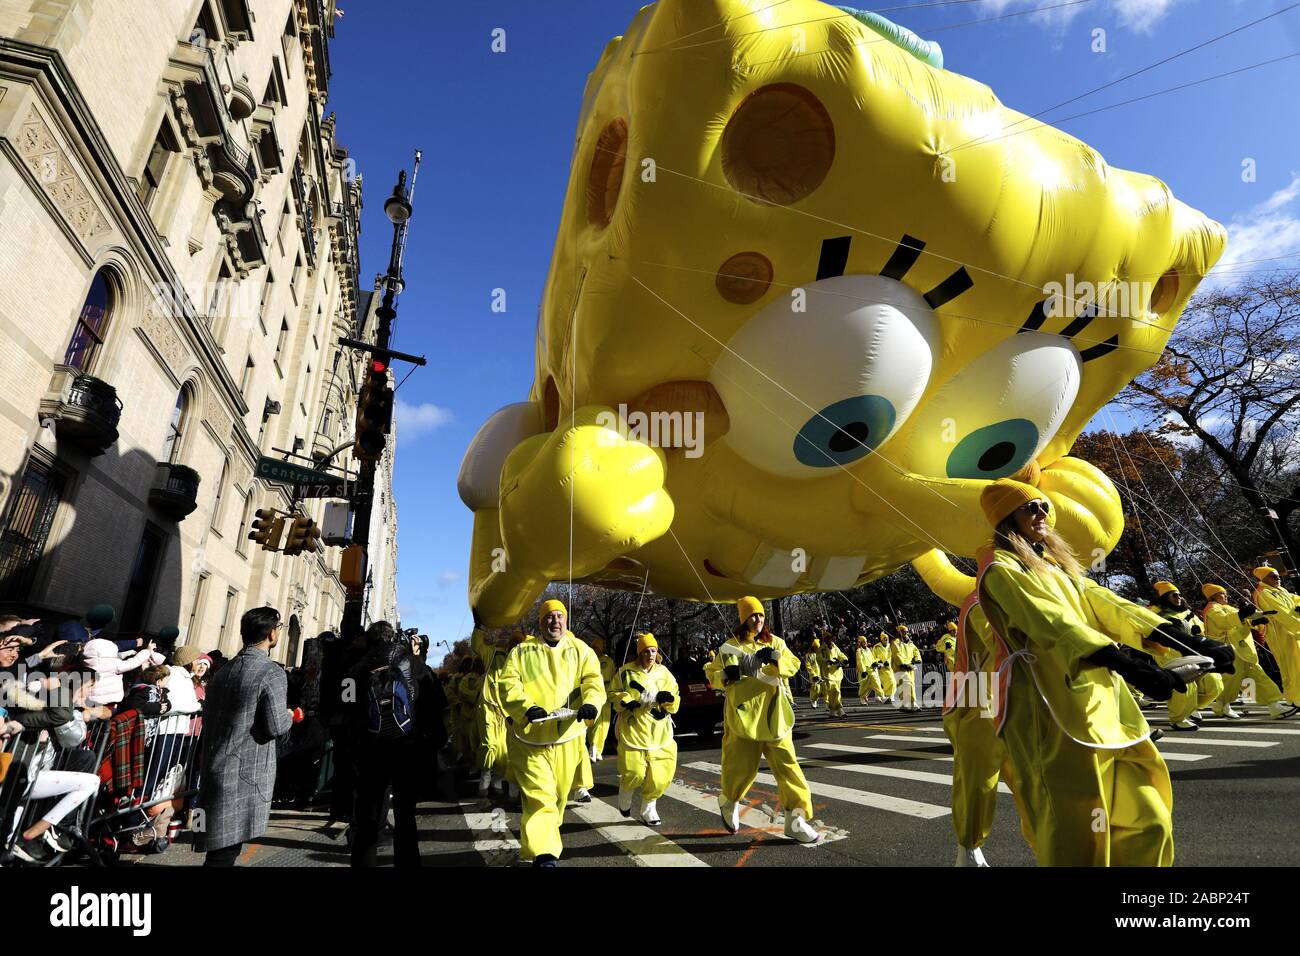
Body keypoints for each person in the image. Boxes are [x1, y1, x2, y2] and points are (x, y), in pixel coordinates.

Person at [974, 478, 1226, 866]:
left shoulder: (1059, 567)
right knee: (1079, 836)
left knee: (1150, 820)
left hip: (1105, 703)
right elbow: (1053, 624)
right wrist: (1125, 663)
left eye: (1043, 505)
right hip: (1049, 711)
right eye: (1029, 507)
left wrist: (1182, 639)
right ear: (1007, 518)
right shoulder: (1000, 569)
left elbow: (1109, 604)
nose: (1041, 512)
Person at [705, 596, 822, 844]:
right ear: (743, 619)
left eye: (760, 615)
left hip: (775, 717)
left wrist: (775, 660)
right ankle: (729, 801)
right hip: (743, 718)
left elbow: (792, 664)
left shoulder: (775, 641)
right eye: (752, 615)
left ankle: (796, 820)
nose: (757, 620)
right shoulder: (729, 647)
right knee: (740, 770)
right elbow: (713, 674)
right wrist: (726, 674)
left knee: (789, 769)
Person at [498, 598, 605, 867]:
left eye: (559, 616)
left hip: (567, 739)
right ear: (540, 622)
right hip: (530, 741)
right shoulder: (522, 652)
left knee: (557, 799)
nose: (554, 621)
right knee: (540, 798)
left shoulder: (581, 650)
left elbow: (593, 680)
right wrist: (527, 708)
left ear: (566, 620)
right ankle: (545, 857)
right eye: (548, 617)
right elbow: (508, 684)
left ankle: (537, 844)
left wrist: (591, 703)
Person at [198, 607, 295, 867]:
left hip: (214, 766)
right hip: (246, 771)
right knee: (224, 853)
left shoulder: (224, 670)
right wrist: (288, 714)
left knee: (219, 850)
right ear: (272, 633)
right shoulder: (271, 672)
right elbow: (276, 725)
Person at [347, 621, 438, 867]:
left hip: (370, 752)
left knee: (368, 821)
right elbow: (434, 707)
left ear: (370, 640)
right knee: (406, 817)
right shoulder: (416, 665)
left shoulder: (356, 670)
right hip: (407, 750)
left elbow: (347, 712)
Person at [612, 633, 679, 826]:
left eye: (653, 650)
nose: (650, 654)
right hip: (634, 730)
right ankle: (625, 795)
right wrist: (627, 701)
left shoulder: (664, 672)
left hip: (659, 731)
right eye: (646, 651)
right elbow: (614, 694)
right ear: (639, 653)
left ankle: (648, 808)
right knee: (634, 772)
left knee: (660, 776)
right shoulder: (625, 672)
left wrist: (668, 701)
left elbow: (675, 695)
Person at [1201, 583, 1294, 719]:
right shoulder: (1212, 609)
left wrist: (1257, 619)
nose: (1226, 596)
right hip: (1230, 650)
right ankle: (1221, 703)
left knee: (1259, 676)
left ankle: (1274, 705)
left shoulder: (1228, 607)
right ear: (1213, 596)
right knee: (1231, 680)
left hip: (1243, 649)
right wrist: (1243, 615)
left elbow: (1242, 620)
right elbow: (1224, 622)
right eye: (1222, 593)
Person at [1147, 582, 1225, 731]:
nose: (1179, 597)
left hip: (1194, 653)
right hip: (1171, 655)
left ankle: (1192, 707)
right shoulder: (1155, 613)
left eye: (1180, 595)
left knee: (1214, 682)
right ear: (1164, 597)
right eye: (1174, 595)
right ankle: (1178, 718)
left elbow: (1201, 630)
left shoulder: (1187, 612)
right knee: (1184, 686)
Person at [1252, 566, 1300, 703]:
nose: (1278, 578)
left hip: (1293, 631)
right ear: (1264, 578)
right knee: (1289, 666)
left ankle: (1295, 697)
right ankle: (1293, 698)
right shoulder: (1263, 593)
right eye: (1273, 576)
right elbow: (1281, 613)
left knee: (1297, 664)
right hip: (1279, 634)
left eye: (1278, 576)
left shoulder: (1280, 590)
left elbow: (1295, 599)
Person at [587, 637, 617, 762]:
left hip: (605, 695)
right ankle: (592, 746)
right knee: (592, 722)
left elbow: (613, 677)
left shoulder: (607, 661)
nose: (594, 650)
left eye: (596, 648)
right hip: (593, 693)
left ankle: (598, 749)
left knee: (603, 724)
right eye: (593, 648)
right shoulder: (588, 660)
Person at [891, 625, 922, 711]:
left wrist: (917, 659)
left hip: (909, 666)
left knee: (905, 685)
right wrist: (903, 664)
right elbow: (897, 655)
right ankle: (913, 703)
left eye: (906, 631)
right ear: (899, 632)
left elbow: (916, 651)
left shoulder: (910, 642)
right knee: (908, 684)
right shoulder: (895, 642)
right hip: (899, 667)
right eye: (904, 631)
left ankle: (904, 704)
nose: (906, 633)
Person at [817, 633, 848, 717]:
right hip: (828, 674)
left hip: (837, 673)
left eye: (830, 638)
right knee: (834, 692)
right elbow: (819, 659)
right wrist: (827, 661)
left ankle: (832, 710)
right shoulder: (821, 649)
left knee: (835, 692)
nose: (829, 640)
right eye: (827, 638)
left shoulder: (835, 647)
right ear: (824, 639)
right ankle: (840, 709)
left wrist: (844, 660)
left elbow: (840, 654)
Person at [804, 638, 823, 708]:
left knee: (818, 689)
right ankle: (813, 700)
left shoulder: (819, 654)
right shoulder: (808, 655)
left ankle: (814, 700)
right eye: (816, 648)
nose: (817, 649)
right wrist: (813, 675)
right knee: (814, 688)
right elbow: (808, 666)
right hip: (813, 675)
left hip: (820, 674)